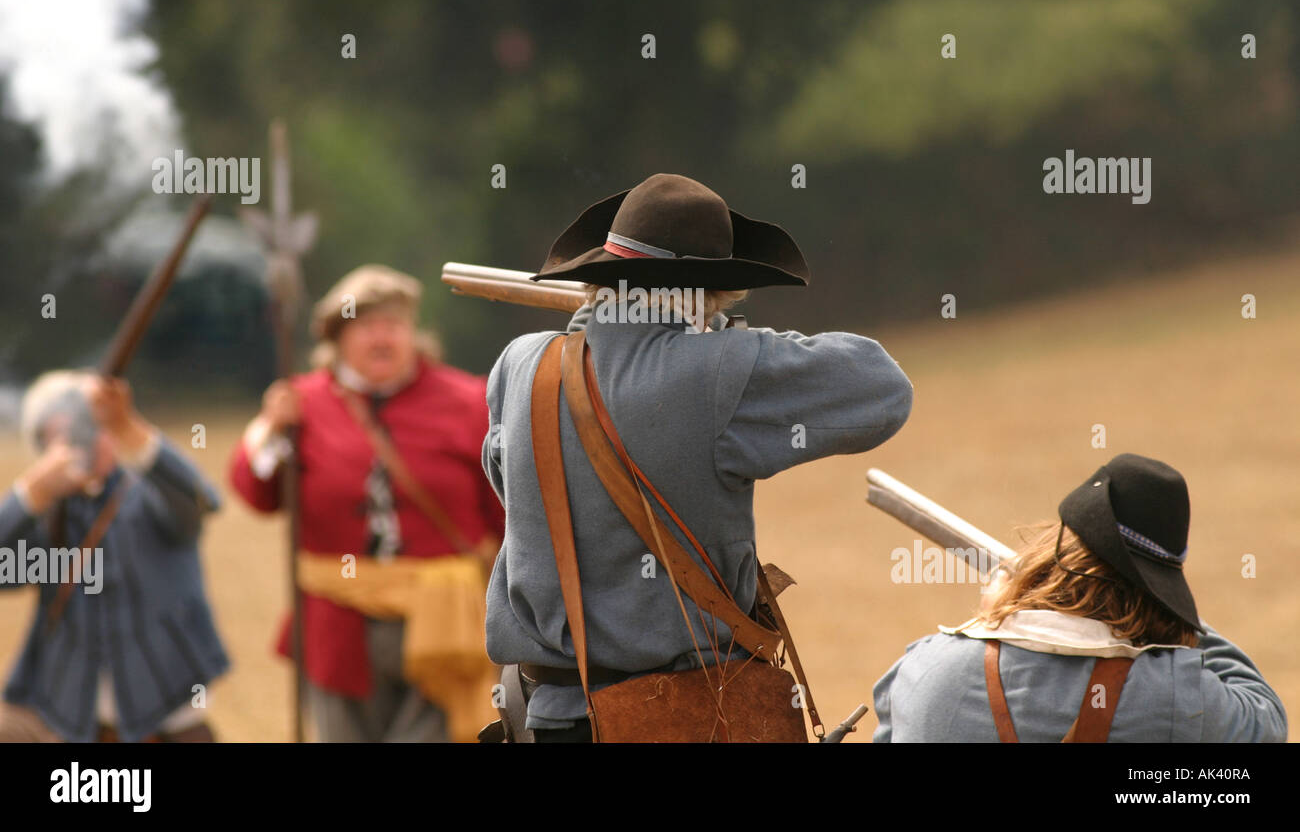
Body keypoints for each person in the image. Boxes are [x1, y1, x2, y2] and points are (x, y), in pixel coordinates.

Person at [482, 173, 914, 741]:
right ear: (711, 292)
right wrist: (729, 345)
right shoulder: (717, 371)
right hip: (680, 716)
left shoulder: (521, 364)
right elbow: (882, 386)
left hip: (545, 717)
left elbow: (508, 477)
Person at [228, 264, 504, 742]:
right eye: (366, 326)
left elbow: (505, 515)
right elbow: (256, 492)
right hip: (338, 624)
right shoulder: (300, 405)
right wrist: (269, 429)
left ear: (414, 333)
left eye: (394, 325)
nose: (382, 338)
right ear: (336, 339)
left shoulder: (468, 400)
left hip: (445, 620)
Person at [872, 453, 1287, 742]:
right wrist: (1179, 619)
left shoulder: (920, 673)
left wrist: (993, 620)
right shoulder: (1179, 695)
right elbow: (1267, 720)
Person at [0, 370, 228, 742]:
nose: (78, 448)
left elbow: (199, 502)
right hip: (73, 716)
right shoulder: (46, 515)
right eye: (57, 437)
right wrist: (29, 496)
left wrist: (129, 427)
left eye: (86, 431)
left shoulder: (146, 493)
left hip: (169, 713)